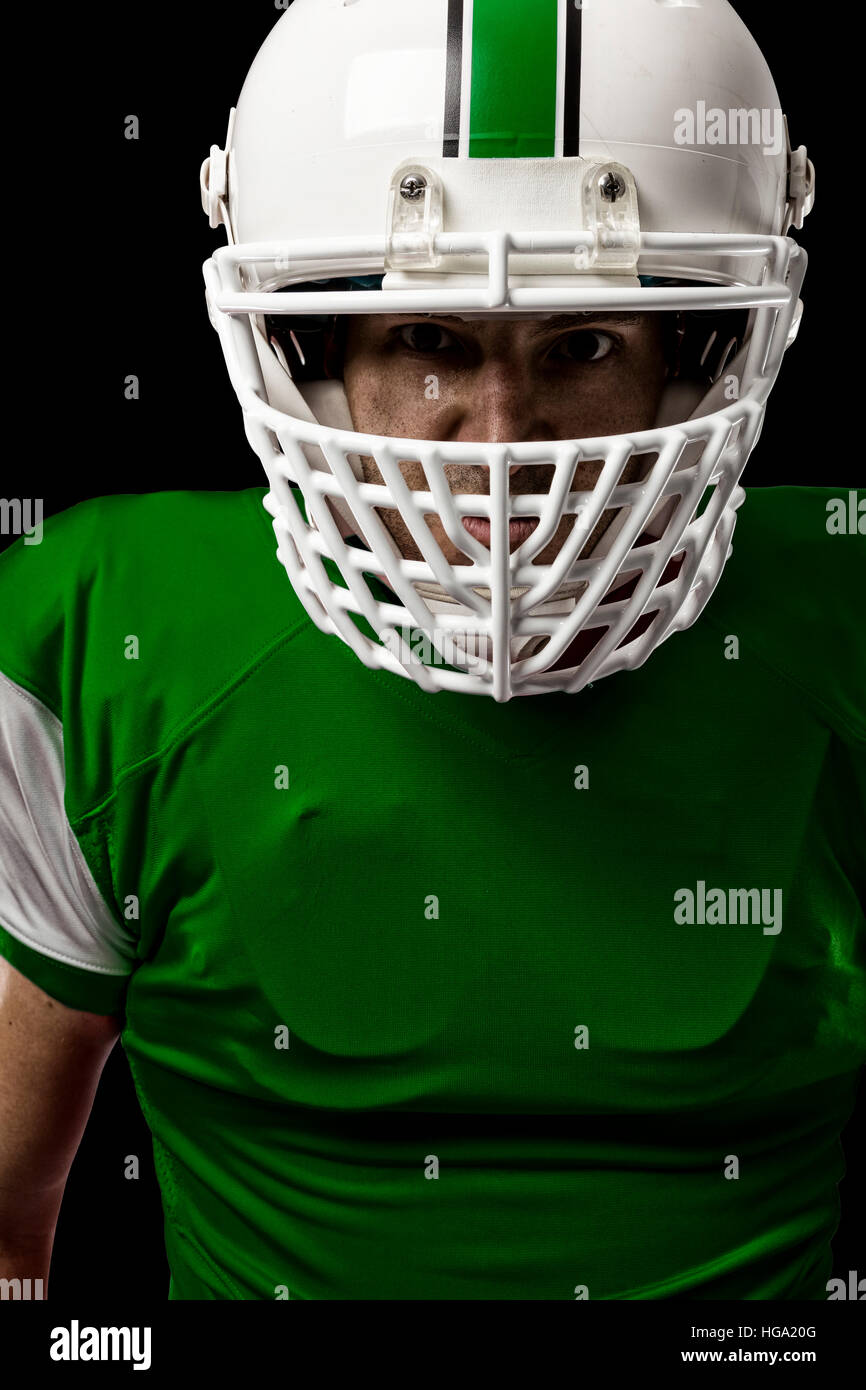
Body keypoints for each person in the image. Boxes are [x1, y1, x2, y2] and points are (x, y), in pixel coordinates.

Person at [1, 0, 862, 1302]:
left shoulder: (839, 624)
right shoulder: (108, 632)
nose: (502, 437)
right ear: (316, 347)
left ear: (697, 357)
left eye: (579, 344)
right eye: (426, 341)